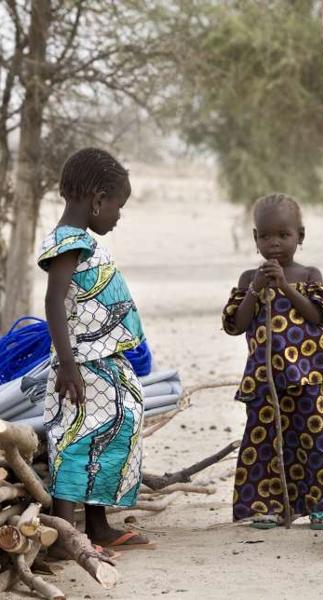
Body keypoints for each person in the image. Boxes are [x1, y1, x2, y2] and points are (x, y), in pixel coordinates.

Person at [38, 147, 152, 550]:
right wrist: (67, 365)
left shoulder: (80, 239)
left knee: (116, 426)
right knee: (76, 440)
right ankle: (65, 536)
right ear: (98, 200)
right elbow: (53, 301)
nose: (118, 216)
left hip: (104, 360)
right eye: (118, 207)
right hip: (82, 363)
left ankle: (98, 525)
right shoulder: (67, 242)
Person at [222, 192, 323, 530]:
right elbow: (236, 324)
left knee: (312, 439)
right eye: (265, 236)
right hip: (264, 380)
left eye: (283, 235)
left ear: (299, 237)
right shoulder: (250, 279)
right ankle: (265, 506)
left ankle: (316, 505)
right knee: (262, 441)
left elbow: (321, 316)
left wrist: (287, 289)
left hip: (305, 376)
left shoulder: (308, 275)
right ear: (255, 238)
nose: (274, 243)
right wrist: (256, 290)